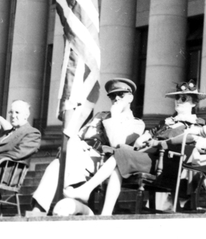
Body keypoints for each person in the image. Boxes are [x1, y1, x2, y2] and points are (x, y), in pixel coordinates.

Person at [62, 80, 205, 215]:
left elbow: (190, 140)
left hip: (168, 164)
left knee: (121, 152)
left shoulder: (195, 124)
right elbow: (142, 139)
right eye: (177, 98)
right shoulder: (166, 122)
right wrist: (144, 139)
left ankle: (87, 189)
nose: (179, 101)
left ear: (194, 103)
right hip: (150, 158)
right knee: (118, 163)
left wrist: (159, 143)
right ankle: (106, 213)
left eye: (184, 98)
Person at [27, 78, 145, 215]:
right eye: (112, 96)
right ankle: (39, 209)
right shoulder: (100, 115)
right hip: (81, 153)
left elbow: (116, 143)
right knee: (57, 163)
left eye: (121, 95)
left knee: (63, 160)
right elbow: (80, 135)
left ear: (130, 98)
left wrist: (115, 116)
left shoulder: (136, 123)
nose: (116, 98)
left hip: (102, 160)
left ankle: (72, 192)